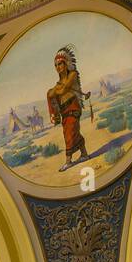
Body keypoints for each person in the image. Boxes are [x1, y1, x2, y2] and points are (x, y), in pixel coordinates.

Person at [46, 45, 92, 173]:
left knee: (69, 134)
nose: (58, 67)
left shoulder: (73, 74)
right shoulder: (58, 83)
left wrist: (55, 90)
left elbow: (63, 89)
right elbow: (51, 94)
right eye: (56, 65)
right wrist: (54, 90)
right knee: (73, 132)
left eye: (60, 64)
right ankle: (84, 154)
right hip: (64, 111)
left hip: (73, 107)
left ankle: (68, 161)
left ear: (66, 64)